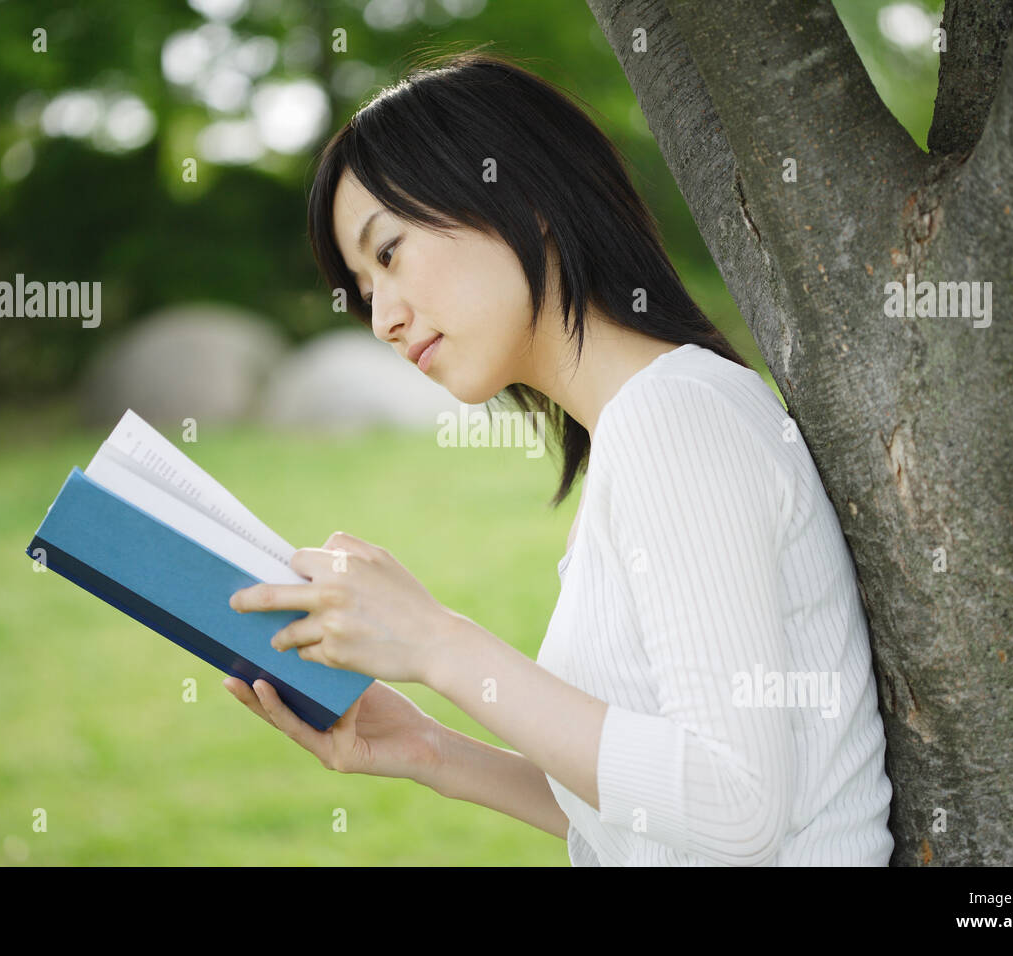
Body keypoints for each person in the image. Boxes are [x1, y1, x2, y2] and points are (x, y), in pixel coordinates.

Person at [224, 47, 894, 866]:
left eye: (389, 253)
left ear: (524, 198)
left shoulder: (676, 420)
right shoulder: (643, 430)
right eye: (365, 290)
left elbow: (735, 807)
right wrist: (431, 751)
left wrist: (437, 642)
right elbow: (660, 813)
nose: (383, 319)